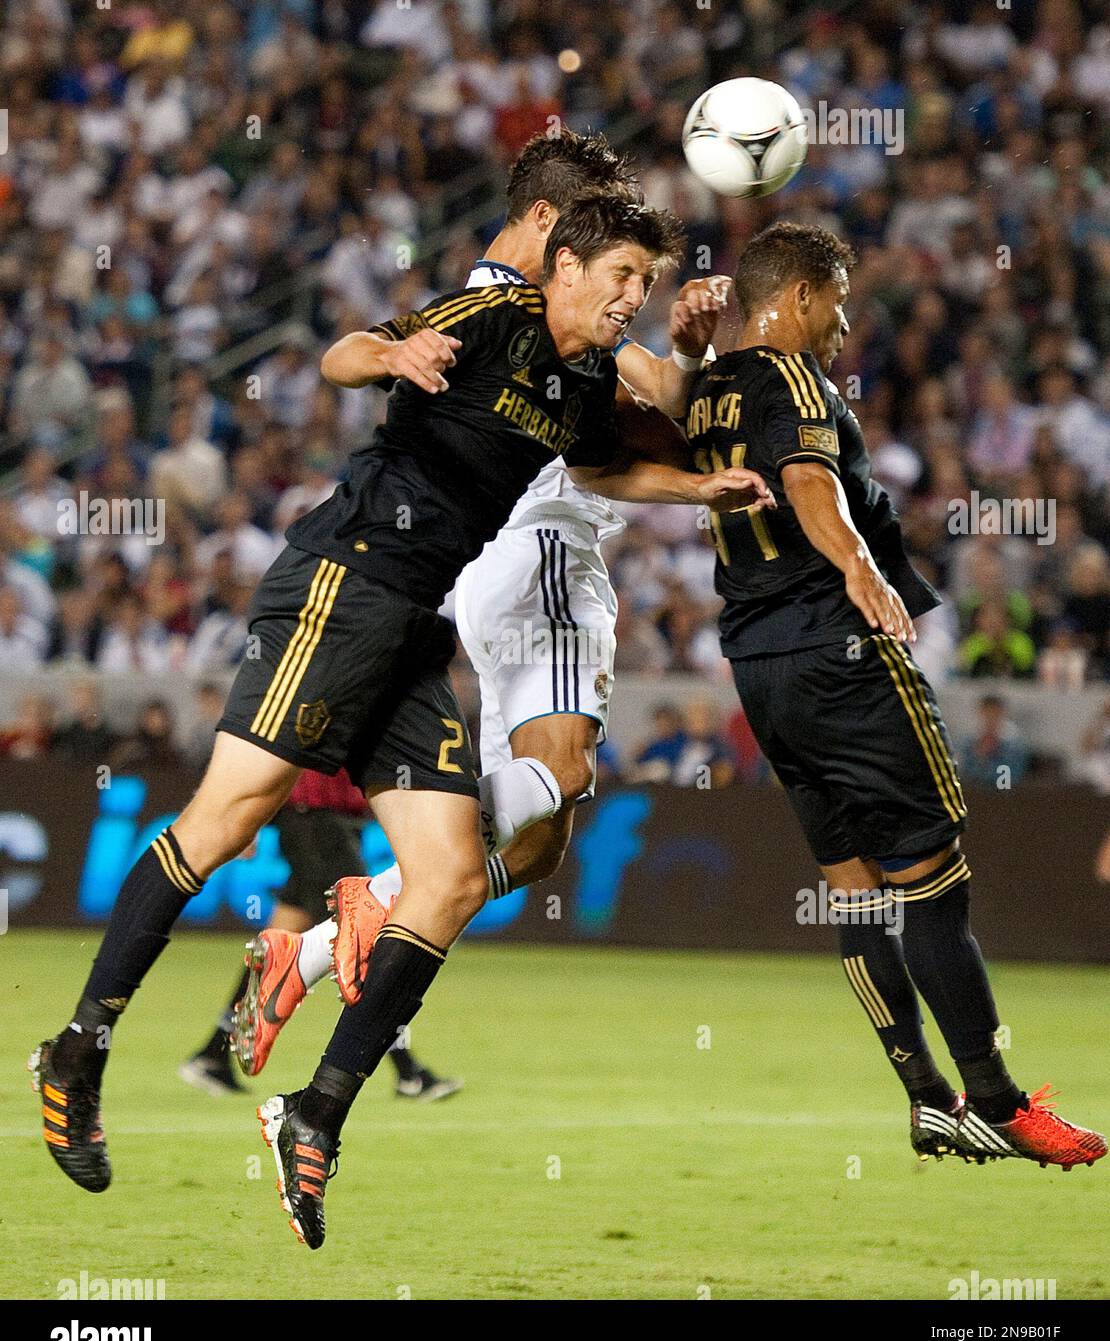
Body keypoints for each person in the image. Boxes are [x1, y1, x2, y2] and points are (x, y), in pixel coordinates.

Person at [30, 196, 767, 1251]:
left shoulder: (588, 378)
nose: (630, 298)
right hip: (344, 579)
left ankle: (316, 1110)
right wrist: (390, 354)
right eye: (619, 277)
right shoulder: (494, 314)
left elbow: (601, 467)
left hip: (411, 625)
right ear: (563, 264)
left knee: (456, 876)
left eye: (645, 284)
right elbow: (343, 352)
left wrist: (704, 491)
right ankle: (80, 1047)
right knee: (226, 820)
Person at [234, 131, 761, 1071]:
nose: (625, 284)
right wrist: (682, 389)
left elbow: (671, 396)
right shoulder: (512, 311)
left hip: (489, 566)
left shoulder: (542, 311)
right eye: (613, 257)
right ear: (558, 232)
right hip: (544, 544)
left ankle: (303, 957)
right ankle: (366, 909)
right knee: (557, 774)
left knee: (536, 842)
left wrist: (686, 346)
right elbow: (668, 418)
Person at [684, 220, 1105, 1171]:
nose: (841, 326)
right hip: (839, 653)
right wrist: (861, 569)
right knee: (935, 881)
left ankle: (926, 1098)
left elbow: (665, 407)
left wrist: (683, 341)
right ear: (793, 298)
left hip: (761, 666)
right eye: (833, 303)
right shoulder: (791, 380)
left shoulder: (708, 392)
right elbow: (806, 480)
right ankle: (996, 1101)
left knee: (857, 893)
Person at [179, 767, 461, 1102]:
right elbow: (282, 746)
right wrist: (248, 815)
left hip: (323, 819)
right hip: (317, 819)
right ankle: (406, 1069)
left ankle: (214, 1051)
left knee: (281, 943)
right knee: (369, 935)